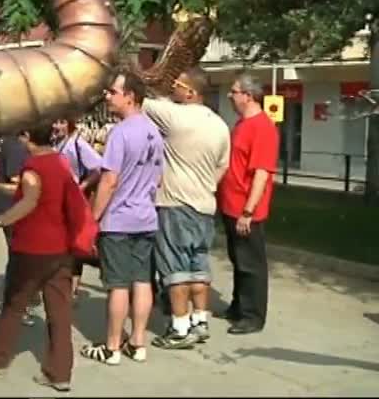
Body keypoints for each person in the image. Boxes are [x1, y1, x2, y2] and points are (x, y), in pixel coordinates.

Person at [0, 124, 97, 392]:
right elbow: (36, 193)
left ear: (28, 137)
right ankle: (60, 373)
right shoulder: (60, 162)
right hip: (61, 249)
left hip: (32, 249)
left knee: (14, 305)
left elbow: (29, 199)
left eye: (21, 135)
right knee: (60, 313)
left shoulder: (33, 168)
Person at [141, 68, 230, 349]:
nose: (173, 89)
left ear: (191, 92)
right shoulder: (220, 124)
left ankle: (179, 327)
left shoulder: (176, 117)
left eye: (177, 85)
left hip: (175, 203)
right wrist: (205, 185)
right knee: (199, 263)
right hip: (205, 204)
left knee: (175, 267)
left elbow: (139, 100)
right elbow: (223, 165)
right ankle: (200, 321)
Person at [81, 70, 164, 365]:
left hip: (119, 220)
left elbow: (108, 181)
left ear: (130, 96)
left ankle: (113, 346)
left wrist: (93, 218)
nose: (107, 96)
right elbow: (159, 178)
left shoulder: (121, 133)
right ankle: (138, 342)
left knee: (117, 284)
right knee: (142, 280)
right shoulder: (154, 132)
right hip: (146, 217)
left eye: (112, 92)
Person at [219, 74, 279, 335]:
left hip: (246, 211)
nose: (230, 96)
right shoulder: (242, 124)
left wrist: (248, 212)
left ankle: (253, 316)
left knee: (251, 264)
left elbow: (262, 174)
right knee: (238, 259)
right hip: (230, 205)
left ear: (248, 95)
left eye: (234, 92)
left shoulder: (263, 128)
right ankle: (239, 305)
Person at [0, 133, 42, 323]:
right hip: (12, 208)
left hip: (13, 207)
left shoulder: (14, 143)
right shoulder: (15, 146)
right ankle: (16, 305)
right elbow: (16, 180)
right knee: (20, 258)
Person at [51, 117, 103, 298]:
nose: (57, 126)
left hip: (74, 200)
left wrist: (82, 186)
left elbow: (98, 167)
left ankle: (71, 289)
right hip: (60, 200)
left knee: (74, 246)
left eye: (62, 122)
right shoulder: (57, 143)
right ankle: (64, 285)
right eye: (56, 123)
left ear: (70, 124)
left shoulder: (77, 143)